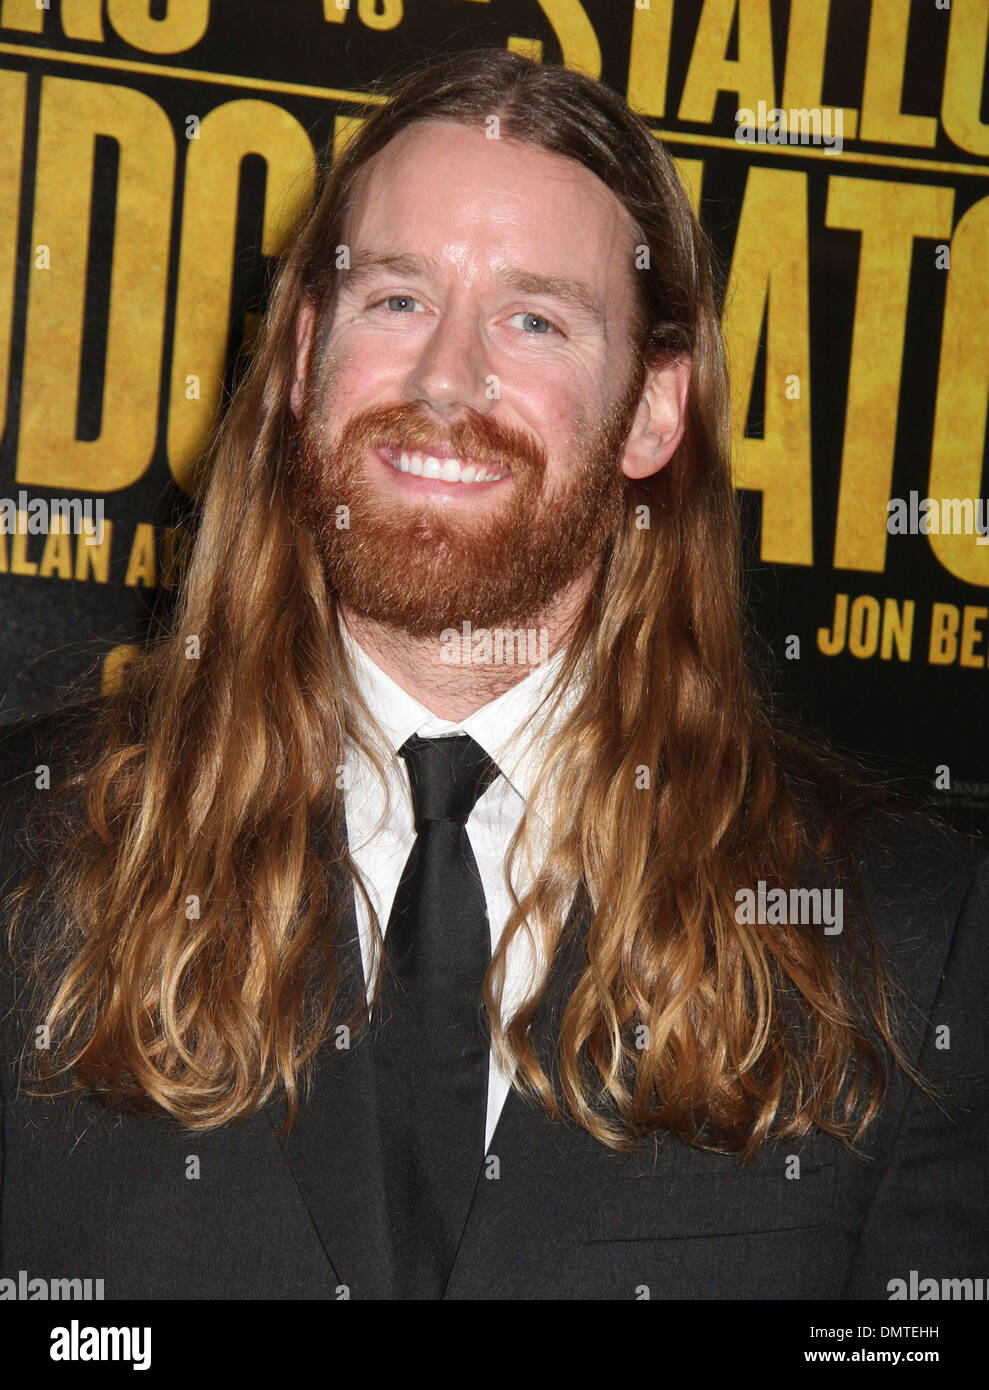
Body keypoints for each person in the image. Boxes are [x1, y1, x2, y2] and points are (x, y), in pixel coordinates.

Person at [1, 48, 986, 1302]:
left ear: (649, 412)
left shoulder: (899, 940)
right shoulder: (25, 867)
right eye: (396, 300)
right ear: (304, 360)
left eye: (533, 320)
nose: (443, 381)